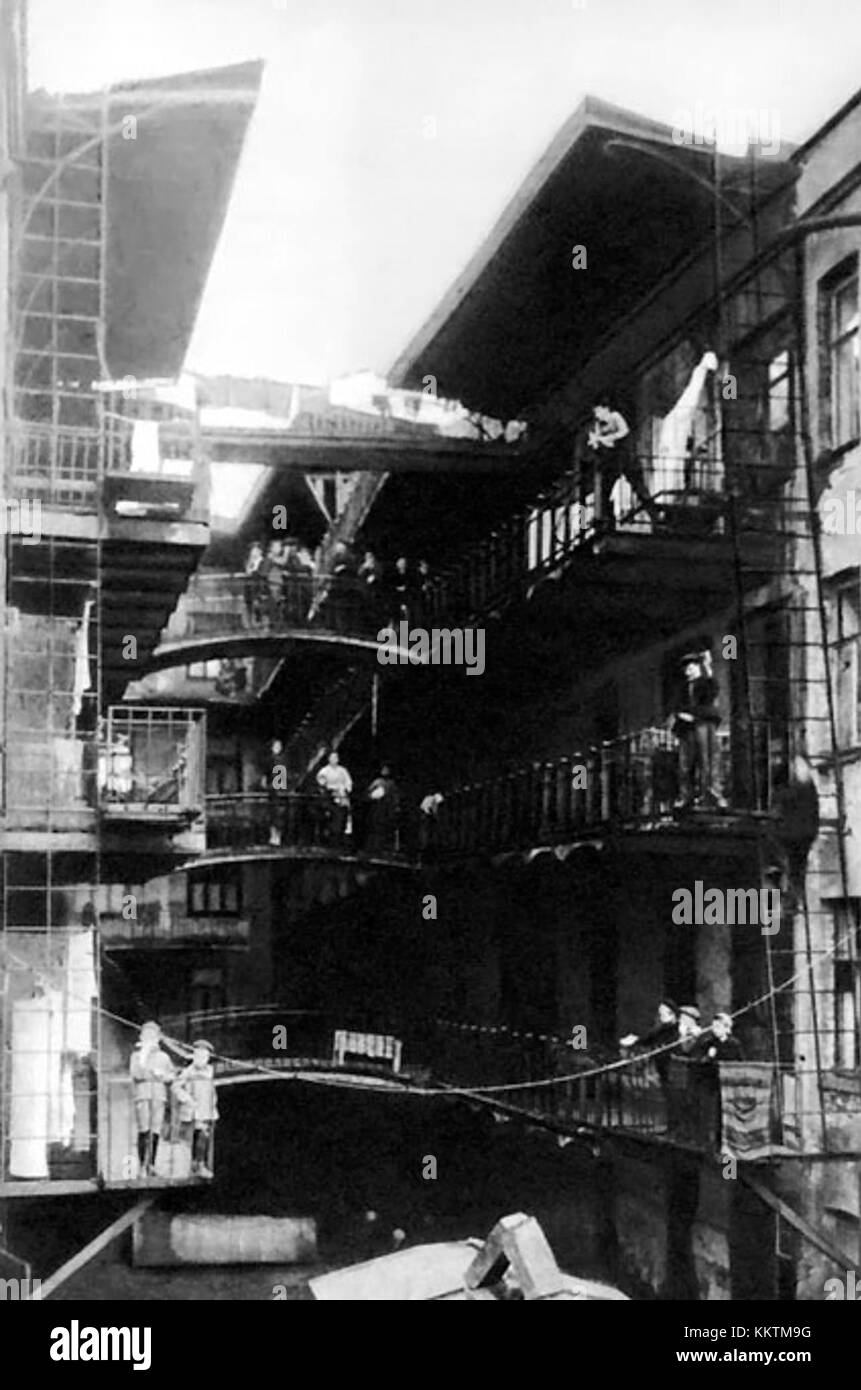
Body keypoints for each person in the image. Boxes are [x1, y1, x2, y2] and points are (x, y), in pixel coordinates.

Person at [671, 651, 725, 809]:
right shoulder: (681, 688)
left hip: (703, 726)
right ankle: (685, 796)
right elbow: (677, 707)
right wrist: (683, 715)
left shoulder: (705, 683)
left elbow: (711, 695)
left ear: (698, 668)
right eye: (686, 668)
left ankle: (712, 793)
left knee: (708, 760)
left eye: (692, 667)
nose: (689, 671)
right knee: (685, 764)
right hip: (687, 729)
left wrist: (693, 715)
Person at [129, 1021, 175, 1178]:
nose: (149, 1039)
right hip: (143, 1094)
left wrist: (163, 1075)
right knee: (144, 1129)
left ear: (158, 1038)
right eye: (146, 1035)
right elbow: (136, 1074)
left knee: (155, 1130)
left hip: (159, 1095)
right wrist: (144, 1056)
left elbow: (171, 1075)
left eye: (153, 1036)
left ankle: (152, 1165)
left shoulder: (164, 1057)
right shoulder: (136, 1056)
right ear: (141, 1037)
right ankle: (142, 1165)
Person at [174, 1040, 219, 1179]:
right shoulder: (188, 1072)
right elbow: (176, 1087)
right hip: (196, 1107)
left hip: (208, 1107)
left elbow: (213, 1088)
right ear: (194, 1056)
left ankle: (197, 1163)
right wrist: (186, 1099)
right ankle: (199, 1165)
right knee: (201, 1133)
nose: (201, 1059)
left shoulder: (211, 1071)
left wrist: (214, 1102)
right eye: (198, 1056)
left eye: (204, 1056)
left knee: (204, 1134)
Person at [316, 750, 353, 844]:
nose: (334, 759)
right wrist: (332, 789)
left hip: (342, 797)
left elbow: (349, 783)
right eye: (332, 757)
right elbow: (322, 783)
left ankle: (344, 836)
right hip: (330, 798)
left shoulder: (343, 770)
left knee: (344, 818)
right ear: (329, 759)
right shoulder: (324, 771)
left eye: (336, 757)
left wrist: (345, 789)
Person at [365, 765, 400, 852]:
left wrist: (396, 806)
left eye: (386, 770)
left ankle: (382, 847)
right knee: (374, 827)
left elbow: (395, 796)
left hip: (387, 809)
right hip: (376, 808)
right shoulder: (377, 782)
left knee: (384, 829)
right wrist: (372, 796)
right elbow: (368, 793)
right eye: (383, 769)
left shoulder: (392, 783)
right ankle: (372, 846)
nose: (384, 771)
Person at [243, 540, 265, 626]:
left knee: (257, 604)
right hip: (249, 586)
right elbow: (247, 572)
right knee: (249, 604)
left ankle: (258, 621)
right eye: (252, 550)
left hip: (258, 586)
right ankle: (249, 623)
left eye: (255, 550)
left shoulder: (262, 561)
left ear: (260, 551)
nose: (253, 553)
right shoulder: (248, 561)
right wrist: (250, 563)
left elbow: (261, 573)